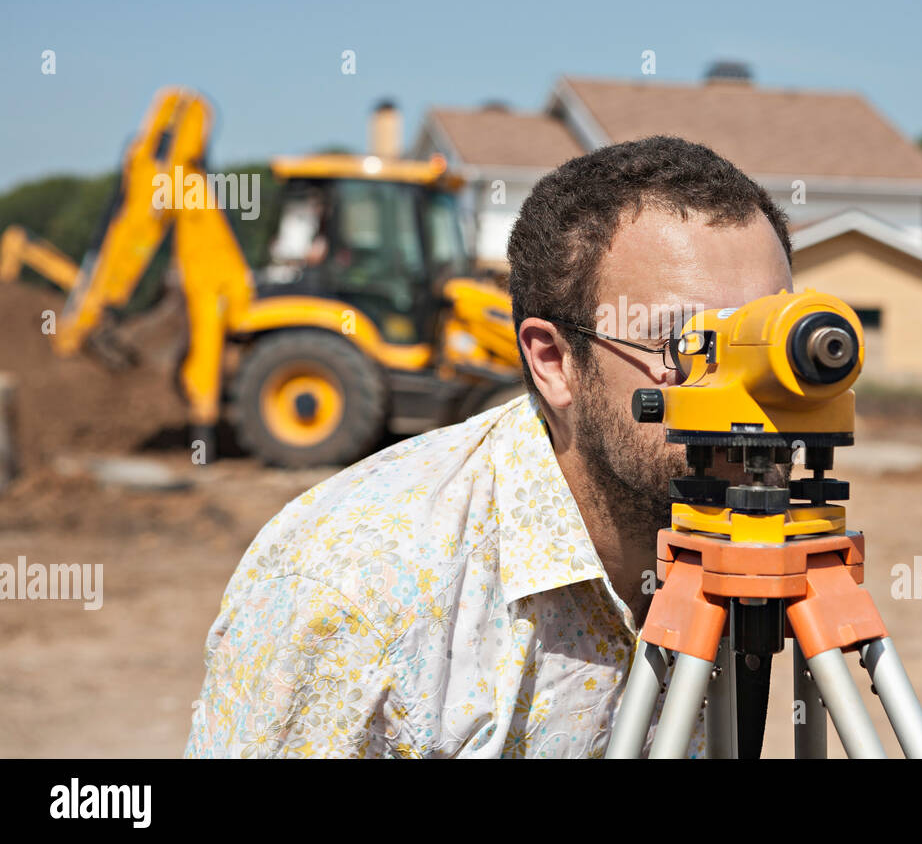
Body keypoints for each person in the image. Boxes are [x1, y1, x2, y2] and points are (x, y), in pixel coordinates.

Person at [185, 136, 794, 758]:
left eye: (771, 335)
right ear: (554, 361)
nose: (751, 383)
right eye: (687, 341)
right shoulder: (355, 592)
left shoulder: (743, 553)